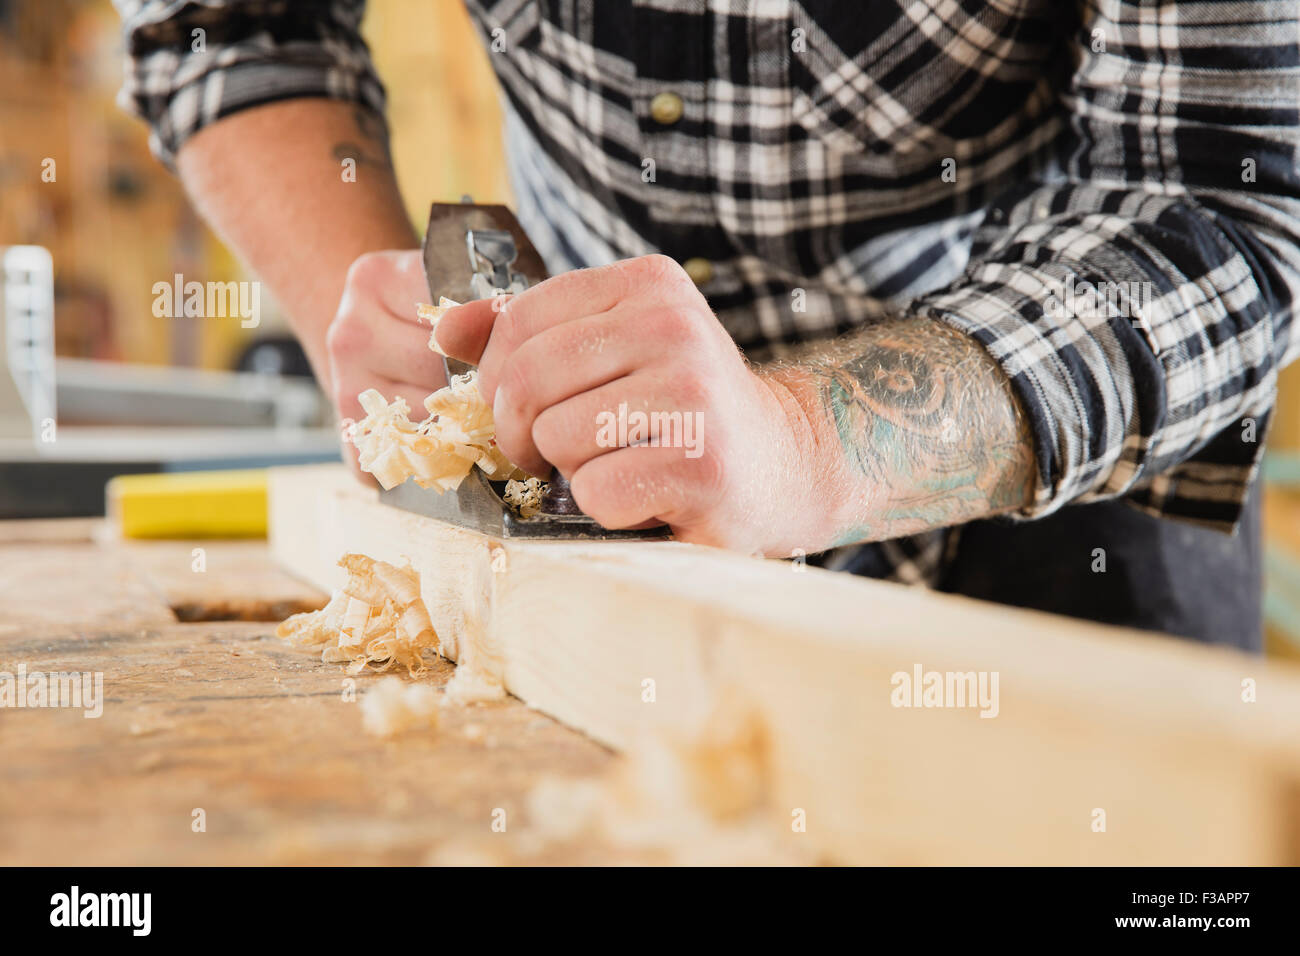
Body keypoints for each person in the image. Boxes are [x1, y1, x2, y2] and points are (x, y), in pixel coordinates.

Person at [114, 2, 1299, 649]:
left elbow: (1224, 202)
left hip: (1046, 473)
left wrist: (802, 440)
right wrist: (405, 342)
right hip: (593, 511)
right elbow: (234, 24)